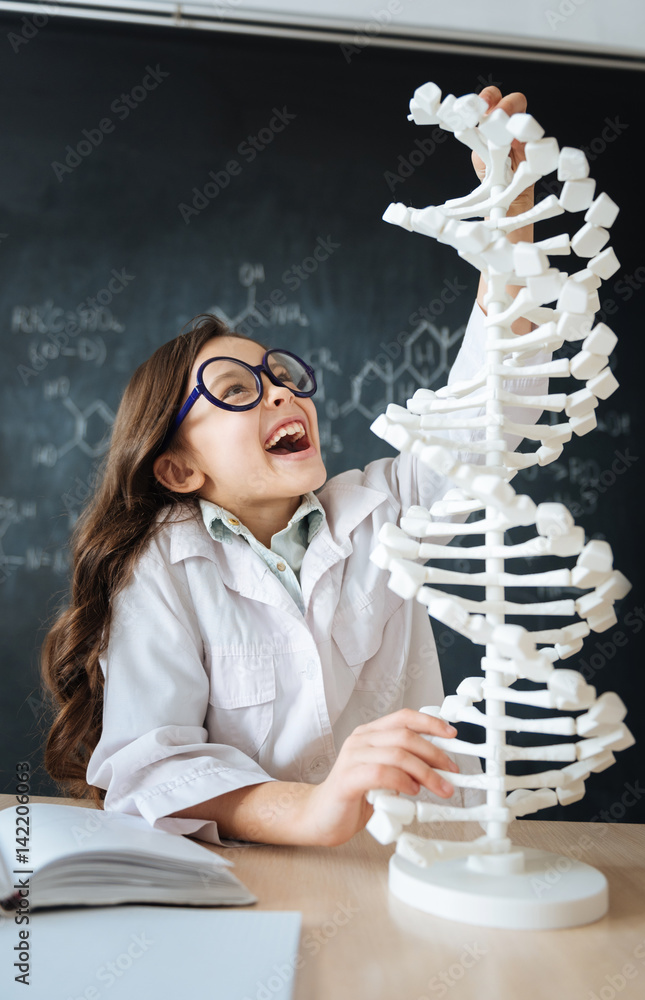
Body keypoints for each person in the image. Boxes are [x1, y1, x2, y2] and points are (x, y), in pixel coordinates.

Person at [40, 87, 543, 849]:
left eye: (278, 376)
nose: (279, 391)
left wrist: (510, 223)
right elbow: (154, 766)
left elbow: (492, 414)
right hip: (256, 873)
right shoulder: (162, 568)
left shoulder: (385, 512)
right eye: (236, 390)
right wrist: (314, 808)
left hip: (411, 862)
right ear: (177, 470)